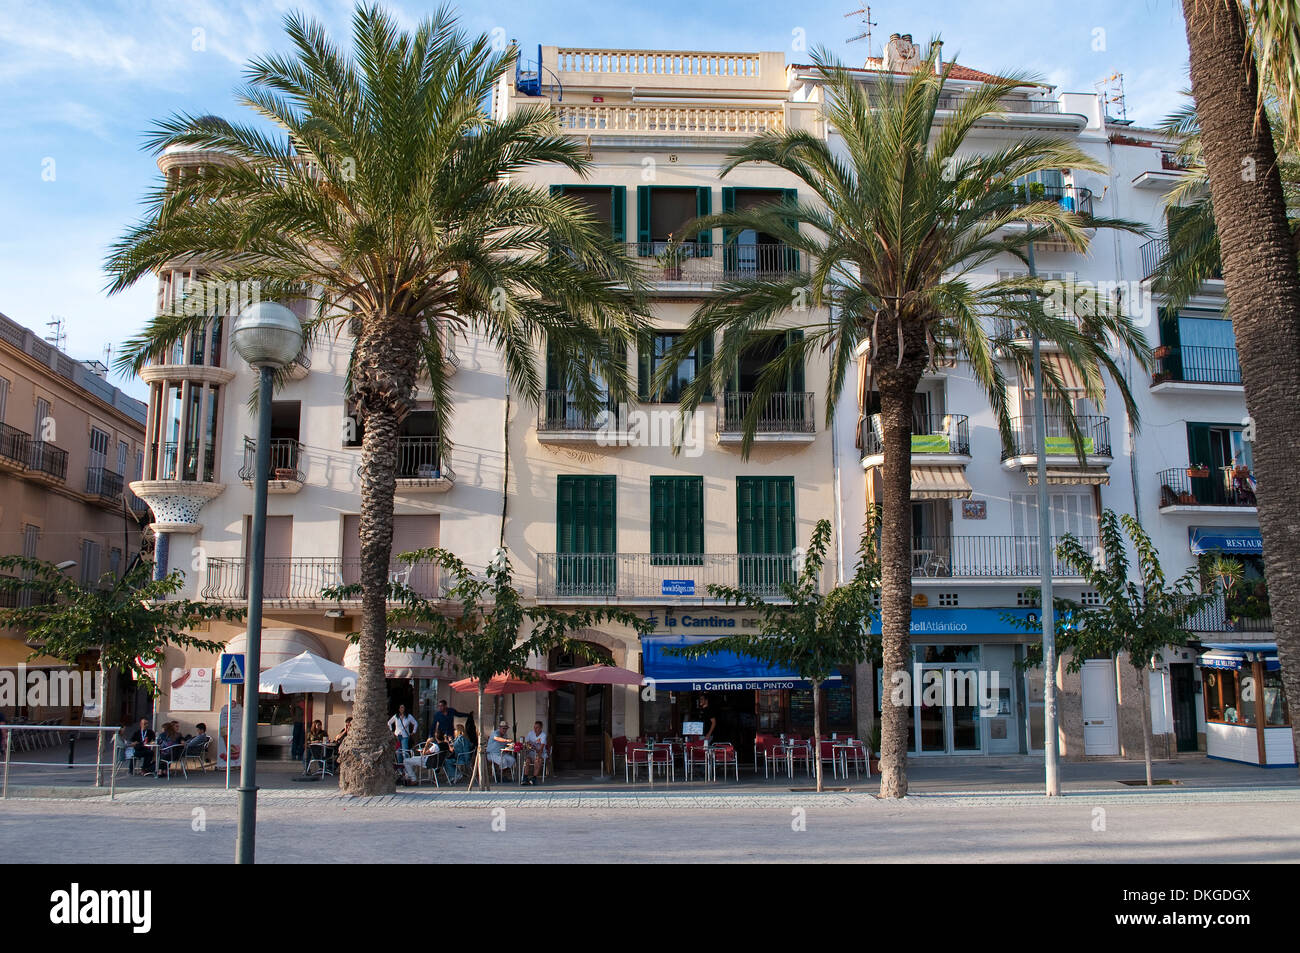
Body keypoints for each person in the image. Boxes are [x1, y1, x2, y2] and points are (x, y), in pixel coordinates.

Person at [522, 721, 548, 785]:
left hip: (541, 753)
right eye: (534, 727)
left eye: (537, 728)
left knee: (537, 760)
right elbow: (526, 743)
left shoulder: (543, 735)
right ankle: (525, 778)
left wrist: (538, 756)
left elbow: (541, 749)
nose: (535, 729)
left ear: (541, 728)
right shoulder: (531, 733)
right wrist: (529, 746)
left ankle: (534, 778)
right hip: (532, 752)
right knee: (527, 760)